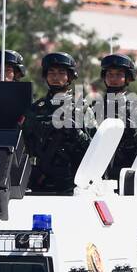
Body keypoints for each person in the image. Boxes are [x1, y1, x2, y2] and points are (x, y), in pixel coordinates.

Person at [26, 52, 92, 194]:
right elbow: (25, 145)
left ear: (70, 76)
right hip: (40, 180)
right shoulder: (36, 109)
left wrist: (77, 133)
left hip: (72, 182)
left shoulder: (82, 108)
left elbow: (94, 149)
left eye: (61, 73)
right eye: (51, 72)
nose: (56, 77)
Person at [100, 53, 137, 179]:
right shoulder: (94, 108)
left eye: (119, 75)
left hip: (127, 174)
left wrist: (132, 130)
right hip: (99, 173)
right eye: (110, 74)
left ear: (128, 78)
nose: (113, 79)